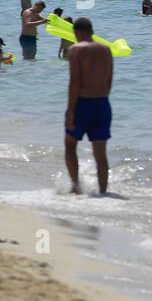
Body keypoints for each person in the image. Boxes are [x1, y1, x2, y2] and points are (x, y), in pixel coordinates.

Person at [64, 18, 114, 195]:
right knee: (100, 153)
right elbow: (109, 81)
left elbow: (75, 82)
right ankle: (103, 193)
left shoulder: (76, 49)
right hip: (102, 104)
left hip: (82, 104)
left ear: (77, 32)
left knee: (70, 145)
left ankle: (76, 186)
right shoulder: (106, 50)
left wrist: (71, 110)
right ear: (91, 30)